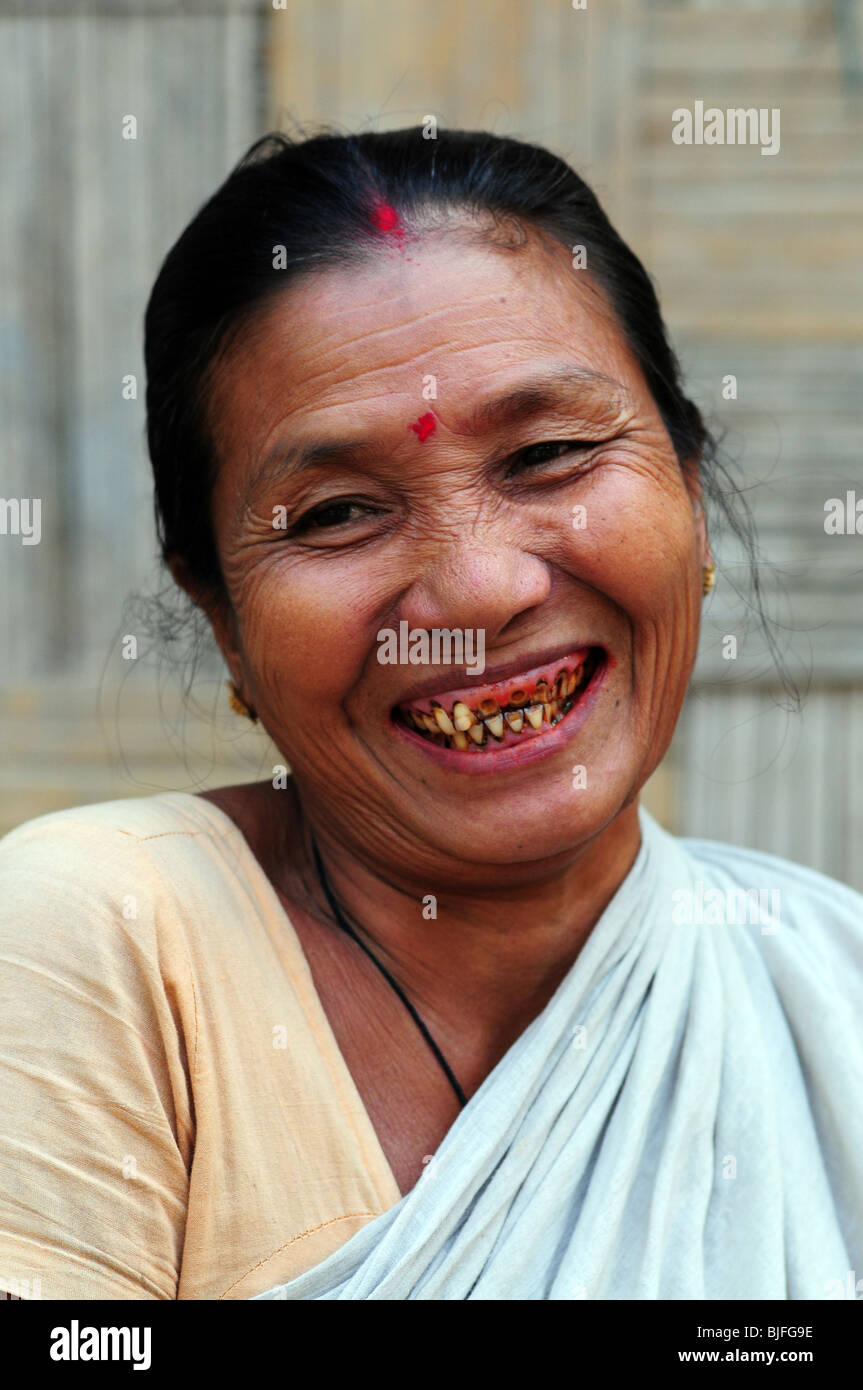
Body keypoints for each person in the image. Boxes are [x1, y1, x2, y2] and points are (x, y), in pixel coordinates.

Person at [0, 128, 860, 1301]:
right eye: (337, 514)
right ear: (219, 613)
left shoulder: (830, 999)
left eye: (549, 454)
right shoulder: (101, 944)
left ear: (692, 498)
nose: (475, 591)